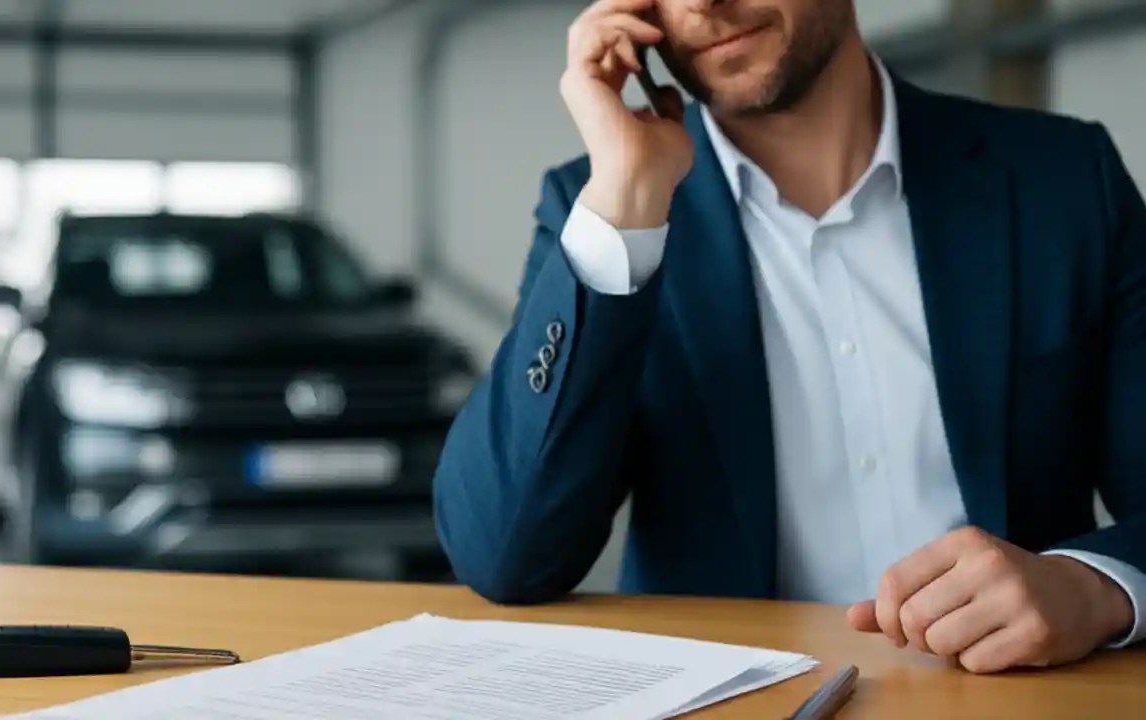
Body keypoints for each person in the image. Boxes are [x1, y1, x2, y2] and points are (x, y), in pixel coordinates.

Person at [432, 0, 1146, 674]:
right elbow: (505, 555)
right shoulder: (608, 204)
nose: (704, 3)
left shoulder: (1064, 180)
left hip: (1018, 697)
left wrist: (1090, 589)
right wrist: (625, 203)